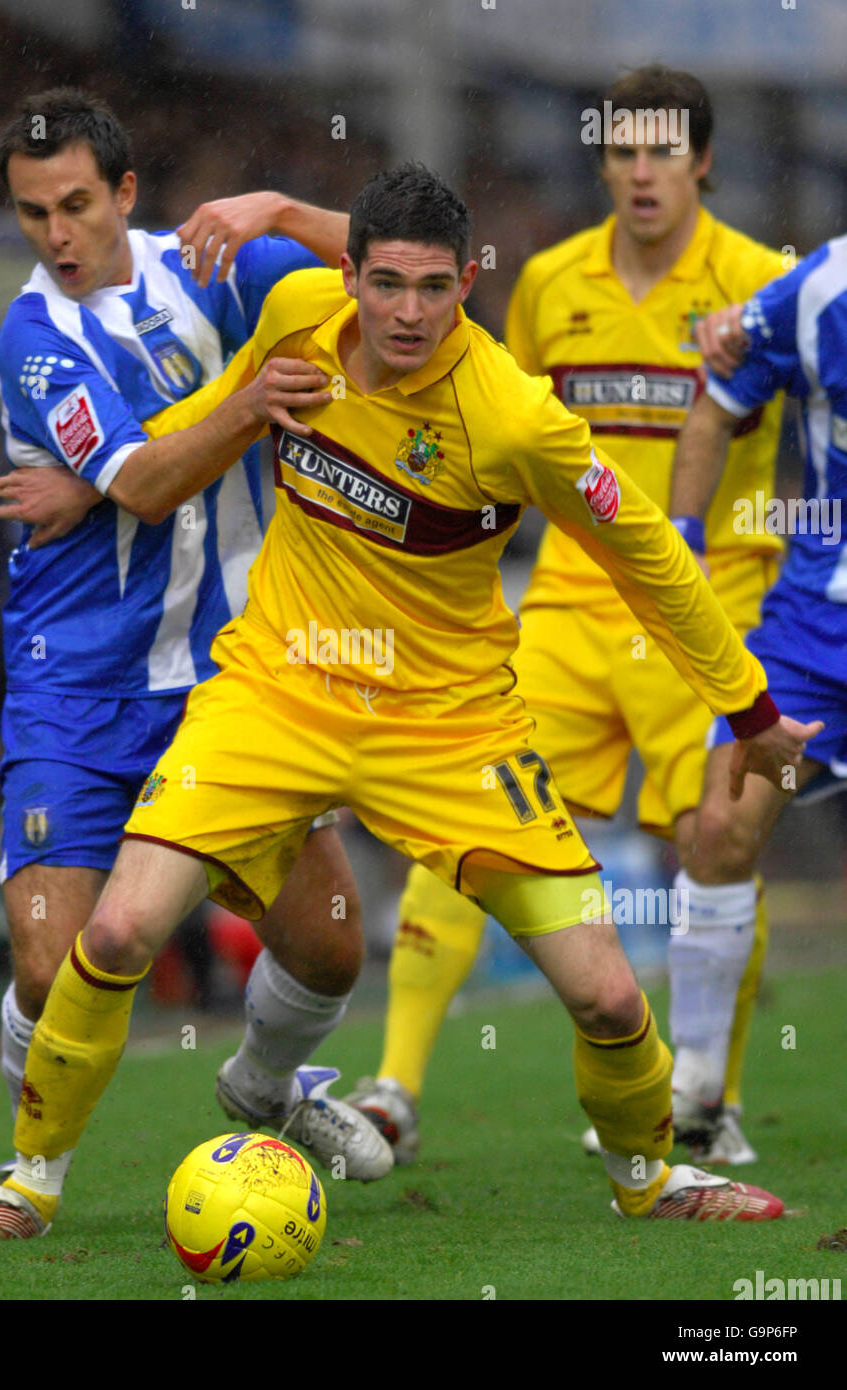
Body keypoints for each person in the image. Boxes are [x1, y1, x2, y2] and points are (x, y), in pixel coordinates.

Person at [0, 163, 818, 1241]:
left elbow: (652, 567)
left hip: (451, 728)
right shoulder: (296, 317)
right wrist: (107, 479)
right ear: (345, 274)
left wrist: (754, 718)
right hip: (275, 695)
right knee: (113, 933)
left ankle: (647, 1173)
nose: (405, 312)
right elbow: (197, 433)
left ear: (467, 283)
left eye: (433, 288)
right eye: (383, 282)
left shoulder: (516, 417)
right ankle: (28, 1180)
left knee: (611, 1000)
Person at [0, 90, 390, 1246]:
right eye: (32, 213)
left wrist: (281, 202)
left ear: (127, 193)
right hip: (76, 685)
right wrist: (248, 404)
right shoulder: (35, 339)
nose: (56, 233)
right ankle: (29, 1174)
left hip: (226, 683)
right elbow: (143, 481)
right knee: (58, 961)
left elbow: (391, 272)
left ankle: (268, 1087)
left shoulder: (209, 261)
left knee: (330, 939)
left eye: (76, 204)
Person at [350, 66, 789, 1167]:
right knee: (469, 812)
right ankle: (393, 1086)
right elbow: (502, 439)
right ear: (598, 160)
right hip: (569, 600)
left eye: (663, 151)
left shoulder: (758, 282)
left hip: (714, 602)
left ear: (701, 162)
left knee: (711, 838)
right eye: (621, 150)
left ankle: (706, 1096)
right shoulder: (546, 282)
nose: (640, 171)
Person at [662, 239, 846, 1115]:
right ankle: (694, 1084)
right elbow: (713, 406)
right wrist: (683, 546)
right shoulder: (816, 294)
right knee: (720, 830)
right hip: (814, 641)